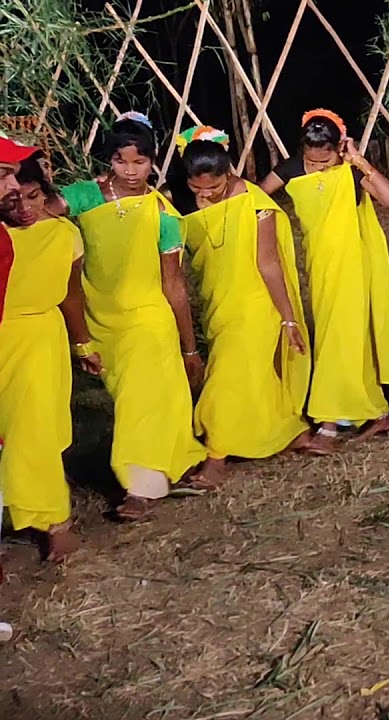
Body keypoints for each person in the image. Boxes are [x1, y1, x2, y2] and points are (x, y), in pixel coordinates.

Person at [59, 113, 208, 519]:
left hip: (148, 319)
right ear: (110, 161)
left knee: (139, 400)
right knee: (136, 397)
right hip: (101, 321)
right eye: (122, 161)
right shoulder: (84, 195)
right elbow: (40, 213)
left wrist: (189, 346)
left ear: (153, 161)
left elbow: (173, 284)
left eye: (140, 162)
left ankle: (139, 489)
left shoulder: (162, 212)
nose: (130, 171)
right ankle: (161, 468)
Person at [165, 126, 314, 478]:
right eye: (196, 188)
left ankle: (217, 455)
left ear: (229, 172)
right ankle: (284, 431)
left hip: (257, 301)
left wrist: (288, 318)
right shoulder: (173, 201)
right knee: (251, 375)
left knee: (228, 376)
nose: (206, 196)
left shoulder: (254, 201)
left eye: (214, 188)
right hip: (218, 303)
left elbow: (268, 262)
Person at [258, 110, 389, 451]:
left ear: (339, 148)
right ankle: (375, 408)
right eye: (313, 160)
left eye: (326, 160)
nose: (320, 167)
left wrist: (359, 162)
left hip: (354, 265)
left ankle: (329, 422)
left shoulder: (351, 172)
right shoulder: (291, 169)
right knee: (340, 336)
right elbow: (255, 198)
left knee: (339, 336)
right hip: (320, 266)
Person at [0, 147, 99, 561]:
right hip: (4, 334)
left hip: (40, 338)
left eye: (32, 195)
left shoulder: (63, 234)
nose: (23, 206)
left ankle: (55, 521)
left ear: (46, 193)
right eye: (12, 198)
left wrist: (83, 343)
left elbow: (71, 296)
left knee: (34, 431)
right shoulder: (3, 239)